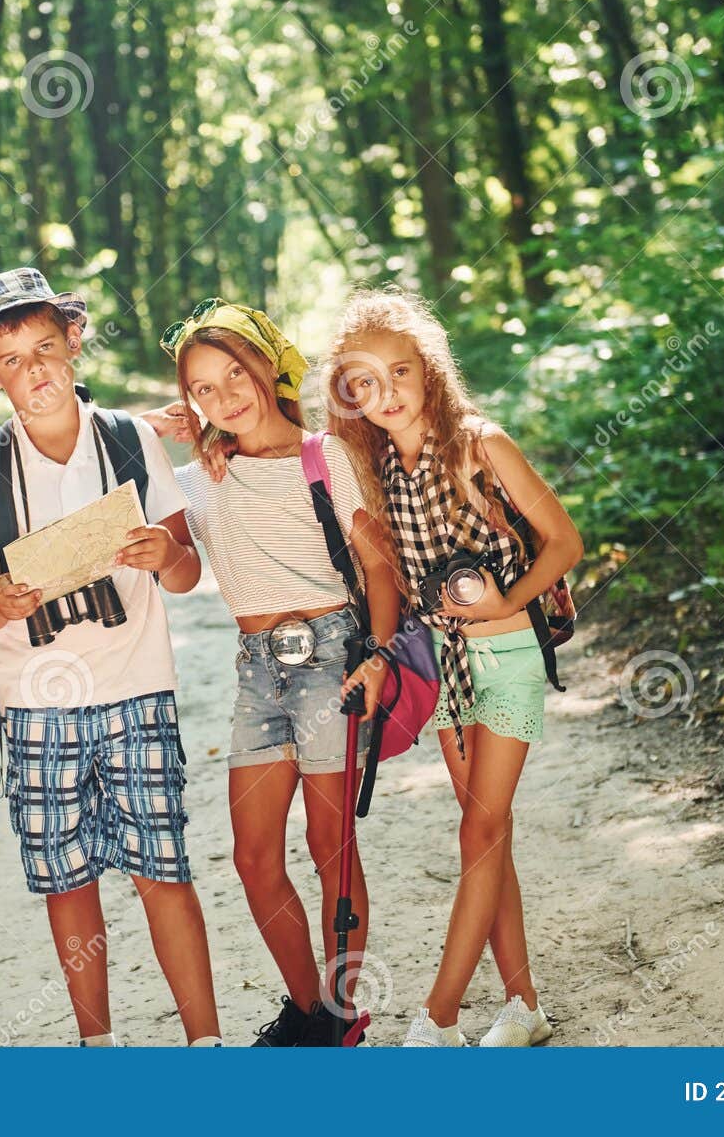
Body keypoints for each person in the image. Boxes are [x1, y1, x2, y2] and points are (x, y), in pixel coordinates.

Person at [0, 267, 221, 1047]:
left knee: (163, 868)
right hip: (37, 702)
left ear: (74, 341)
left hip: (138, 688)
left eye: (45, 347)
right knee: (68, 879)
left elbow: (187, 573)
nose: (33, 371)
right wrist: (0, 600)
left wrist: (161, 550)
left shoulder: (130, 439)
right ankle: (96, 1045)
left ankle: (205, 1044)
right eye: (10, 359)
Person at [325, 288, 583, 1047]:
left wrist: (510, 599)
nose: (387, 395)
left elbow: (565, 541)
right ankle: (523, 1003)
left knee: (481, 825)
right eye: (365, 383)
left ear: (429, 370)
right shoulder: (380, 472)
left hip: (505, 653)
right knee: (484, 832)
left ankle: (436, 1017)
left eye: (400, 372)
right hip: (446, 661)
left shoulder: (479, 443)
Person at [163, 298, 400, 1046]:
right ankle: (310, 1010)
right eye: (204, 387)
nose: (225, 394)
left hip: (333, 656)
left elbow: (378, 564)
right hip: (256, 670)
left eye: (234, 373)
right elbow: (174, 553)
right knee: (254, 854)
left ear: (266, 368)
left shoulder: (323, 455)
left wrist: (382, 656)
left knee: (332, 846)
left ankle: (342, 1014)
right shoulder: (201, 477)